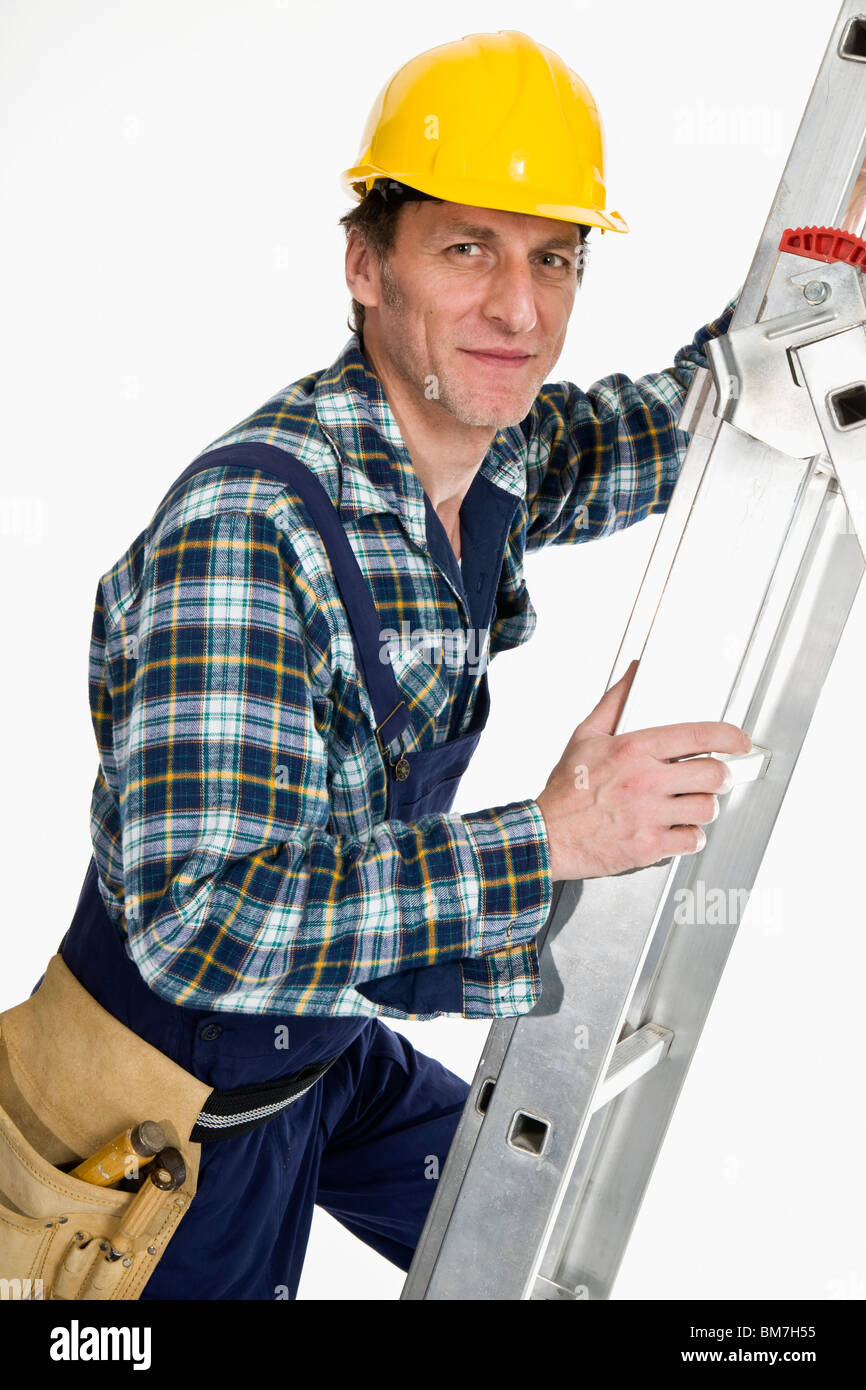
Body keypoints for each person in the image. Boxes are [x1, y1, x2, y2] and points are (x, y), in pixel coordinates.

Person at [52, 29, 749, 1298]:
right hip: (159, 1122)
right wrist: (546, 839)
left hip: (316, 1050)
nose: (519, 308)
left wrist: (839, 259)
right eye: (466, 247)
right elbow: (201, 929)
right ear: (366, 264)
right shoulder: (249, 533)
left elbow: (689, 419)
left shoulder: (489, 460)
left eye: (553, 258)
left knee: (535, 1251)